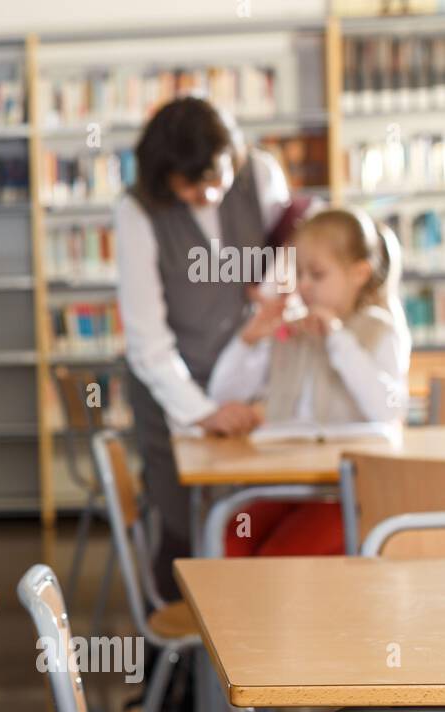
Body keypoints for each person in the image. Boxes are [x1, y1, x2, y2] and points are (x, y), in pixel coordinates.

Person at [116, 96, 291, 601]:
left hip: (248, 380)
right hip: (172, 392)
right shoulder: (136, 211)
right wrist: (202, 411)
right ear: (164, 178)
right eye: (192, 186)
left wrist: (278, 286)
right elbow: (147, 340)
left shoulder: (260, 174)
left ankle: (242, 657)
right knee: (181, 530)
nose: (210, 194)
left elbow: (293, 249)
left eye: (217, 178)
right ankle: (174, 669)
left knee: (248, 523)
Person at [210, 207, 410, 556]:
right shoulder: (292, 330)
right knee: (231, 542)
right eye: (298, 273)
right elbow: (223, 396)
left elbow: (386, 408)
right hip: (283, 485)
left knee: (279, 558)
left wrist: (337, 338)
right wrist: (250, 339)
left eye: (316, 274)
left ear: (359, 273)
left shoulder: (381, 330)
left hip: (347, 496)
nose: (303, 285)